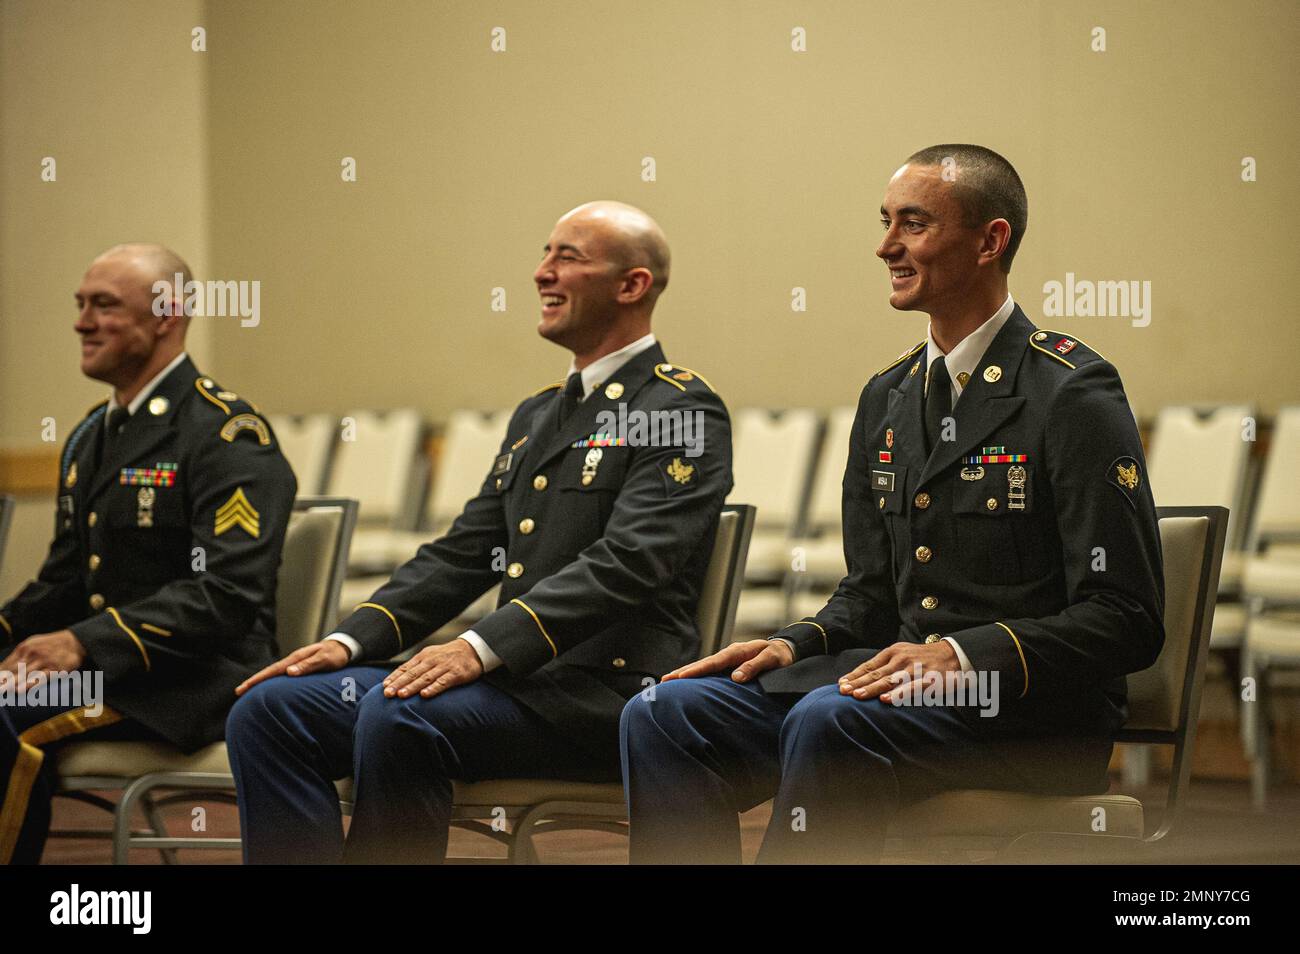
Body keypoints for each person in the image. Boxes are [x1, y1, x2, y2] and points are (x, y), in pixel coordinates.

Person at [620, 145, 1165, 864]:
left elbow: (1126, 617)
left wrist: (961, 655)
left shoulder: (1070, 392)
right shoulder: (889, 396)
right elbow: (871, 595)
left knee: (831, 719)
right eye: (886, 223)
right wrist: (794, 643)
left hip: (1031, 718)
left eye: (913, 224)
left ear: (990, 241)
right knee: (664, 713)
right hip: (894, 696)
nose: (886, 247)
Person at [227, 200, 733, 864]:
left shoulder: (677, 407)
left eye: (567, 257)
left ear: (631, 285)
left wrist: (478, 647)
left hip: (602, 696)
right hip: (517, 687)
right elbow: (466, 551)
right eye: (545, 252)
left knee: (400, 711)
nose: (540, 272)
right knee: (272, 708)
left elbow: (631, 560)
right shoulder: (540, 413)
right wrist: (353, 639)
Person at [0, 243, 295, 864]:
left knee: (6, 710)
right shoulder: (91, 433)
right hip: (108, 670)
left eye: (104, 305)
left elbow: (226, 593)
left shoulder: (227, 434)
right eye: (81, 304)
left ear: (168, 314)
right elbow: (63, 580)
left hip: (188, 679)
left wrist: (82, 643)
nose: (82, 322)